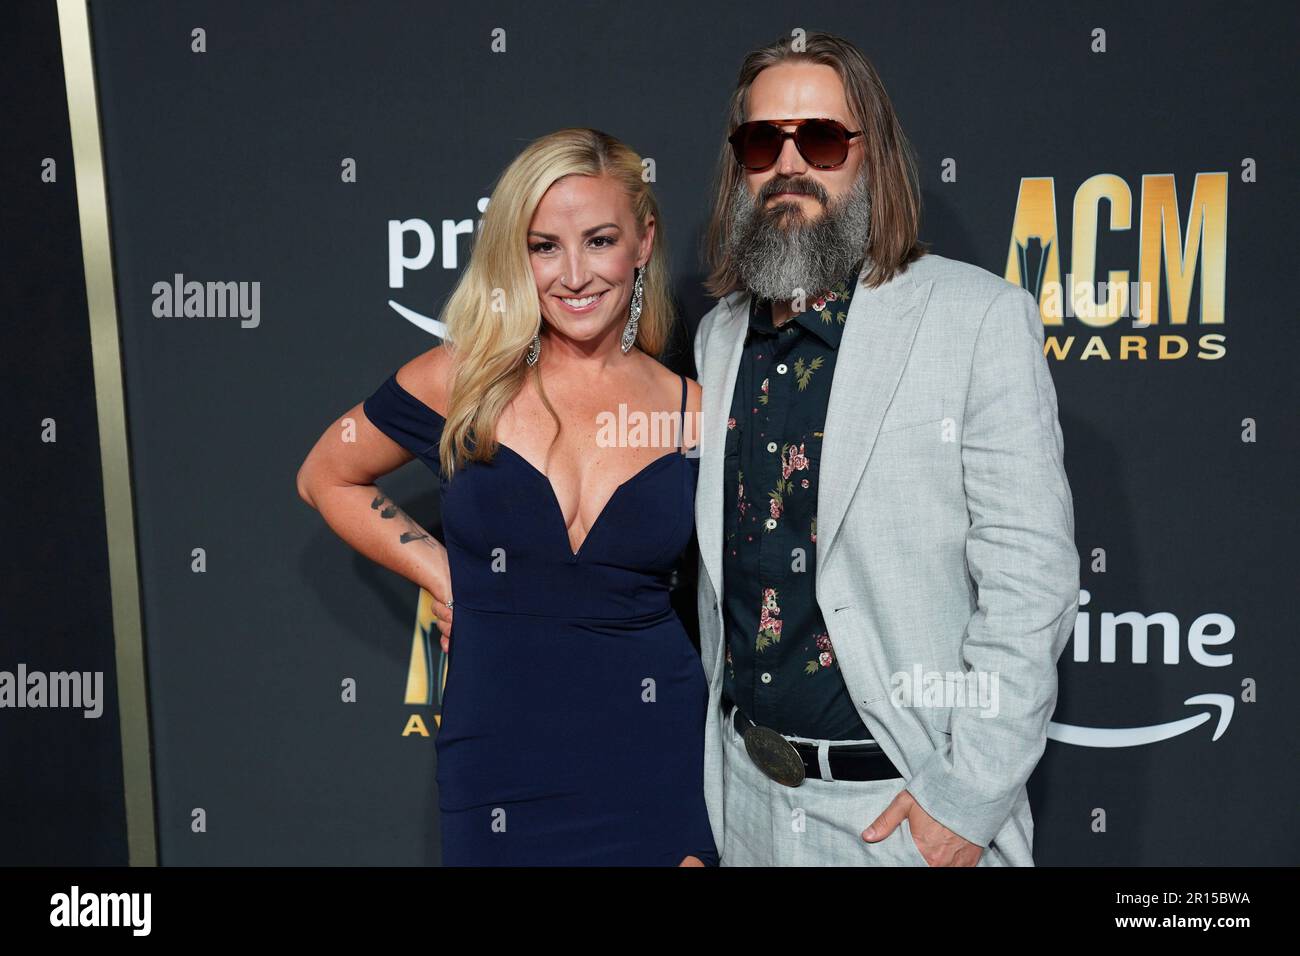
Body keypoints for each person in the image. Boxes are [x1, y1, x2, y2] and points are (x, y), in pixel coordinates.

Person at [692, 32, 1080, 866]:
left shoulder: (974, 318)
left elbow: (1031, 581)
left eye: (821, 140)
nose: (789, 164)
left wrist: (965, 799)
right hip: (746, 799)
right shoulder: (720, 339)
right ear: (741, 167)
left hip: (898, 814)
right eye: (764, 142)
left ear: (872, 157)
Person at [297, 128, 716, 866]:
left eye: (600, 240)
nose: (574, 274)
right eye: (544, 246)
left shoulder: (696, 413)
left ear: (643, 244)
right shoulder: (460, 379)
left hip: (655, 758)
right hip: (498, 762)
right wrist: (444, 573)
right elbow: (325, 474)